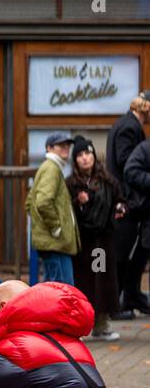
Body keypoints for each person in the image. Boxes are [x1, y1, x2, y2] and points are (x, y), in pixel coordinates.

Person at [65, 136, 125, 340]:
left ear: (93, 155)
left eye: (87, 153)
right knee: (83, 284)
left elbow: (120, 199)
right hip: (83, 242)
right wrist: (79, 202)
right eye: (80, 155)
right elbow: (67, 210)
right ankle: (80, 327)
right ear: (75, 161)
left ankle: (101, 325)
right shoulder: (71, 184)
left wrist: (120, 208)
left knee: (101, 281)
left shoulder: (107, 180)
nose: (84, 158)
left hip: (101, 243)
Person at [107, 91, 150, 317]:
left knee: (127, 253)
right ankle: (115, 304)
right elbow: (127, 164)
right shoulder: (129, 127)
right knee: (121, 254)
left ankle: (129, 297)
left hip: (124, 199)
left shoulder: (125, 123)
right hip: (124, 200)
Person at [27, 133, 78, 285]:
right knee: (63, 290)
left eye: (67, 145)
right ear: (49, 148)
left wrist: (40, 225)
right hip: (56, 243)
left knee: (51, 289)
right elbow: (42, 202)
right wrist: (56, 227)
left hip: (51, 243)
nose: (66, 148)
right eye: (60, 145)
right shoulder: (52, 169)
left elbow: (30, 202)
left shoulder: (47, 167)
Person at [117, 136, 150, 316]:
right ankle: (130, 295)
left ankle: (132, 295)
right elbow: (131, 171)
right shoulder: (145, 149)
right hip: (144, 215)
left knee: (140, 256)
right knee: (139, 255)